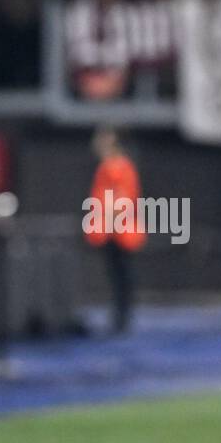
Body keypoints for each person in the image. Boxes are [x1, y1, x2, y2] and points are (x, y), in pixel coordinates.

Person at [85, 126, 144, 334]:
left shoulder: (119, 167)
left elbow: (123, 200)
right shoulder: (108, 167)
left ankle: (122, 320)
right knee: (117, 277)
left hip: (120, 233)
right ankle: (119, 318)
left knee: (122, 277)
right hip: (111, 232)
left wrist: (107, 220)